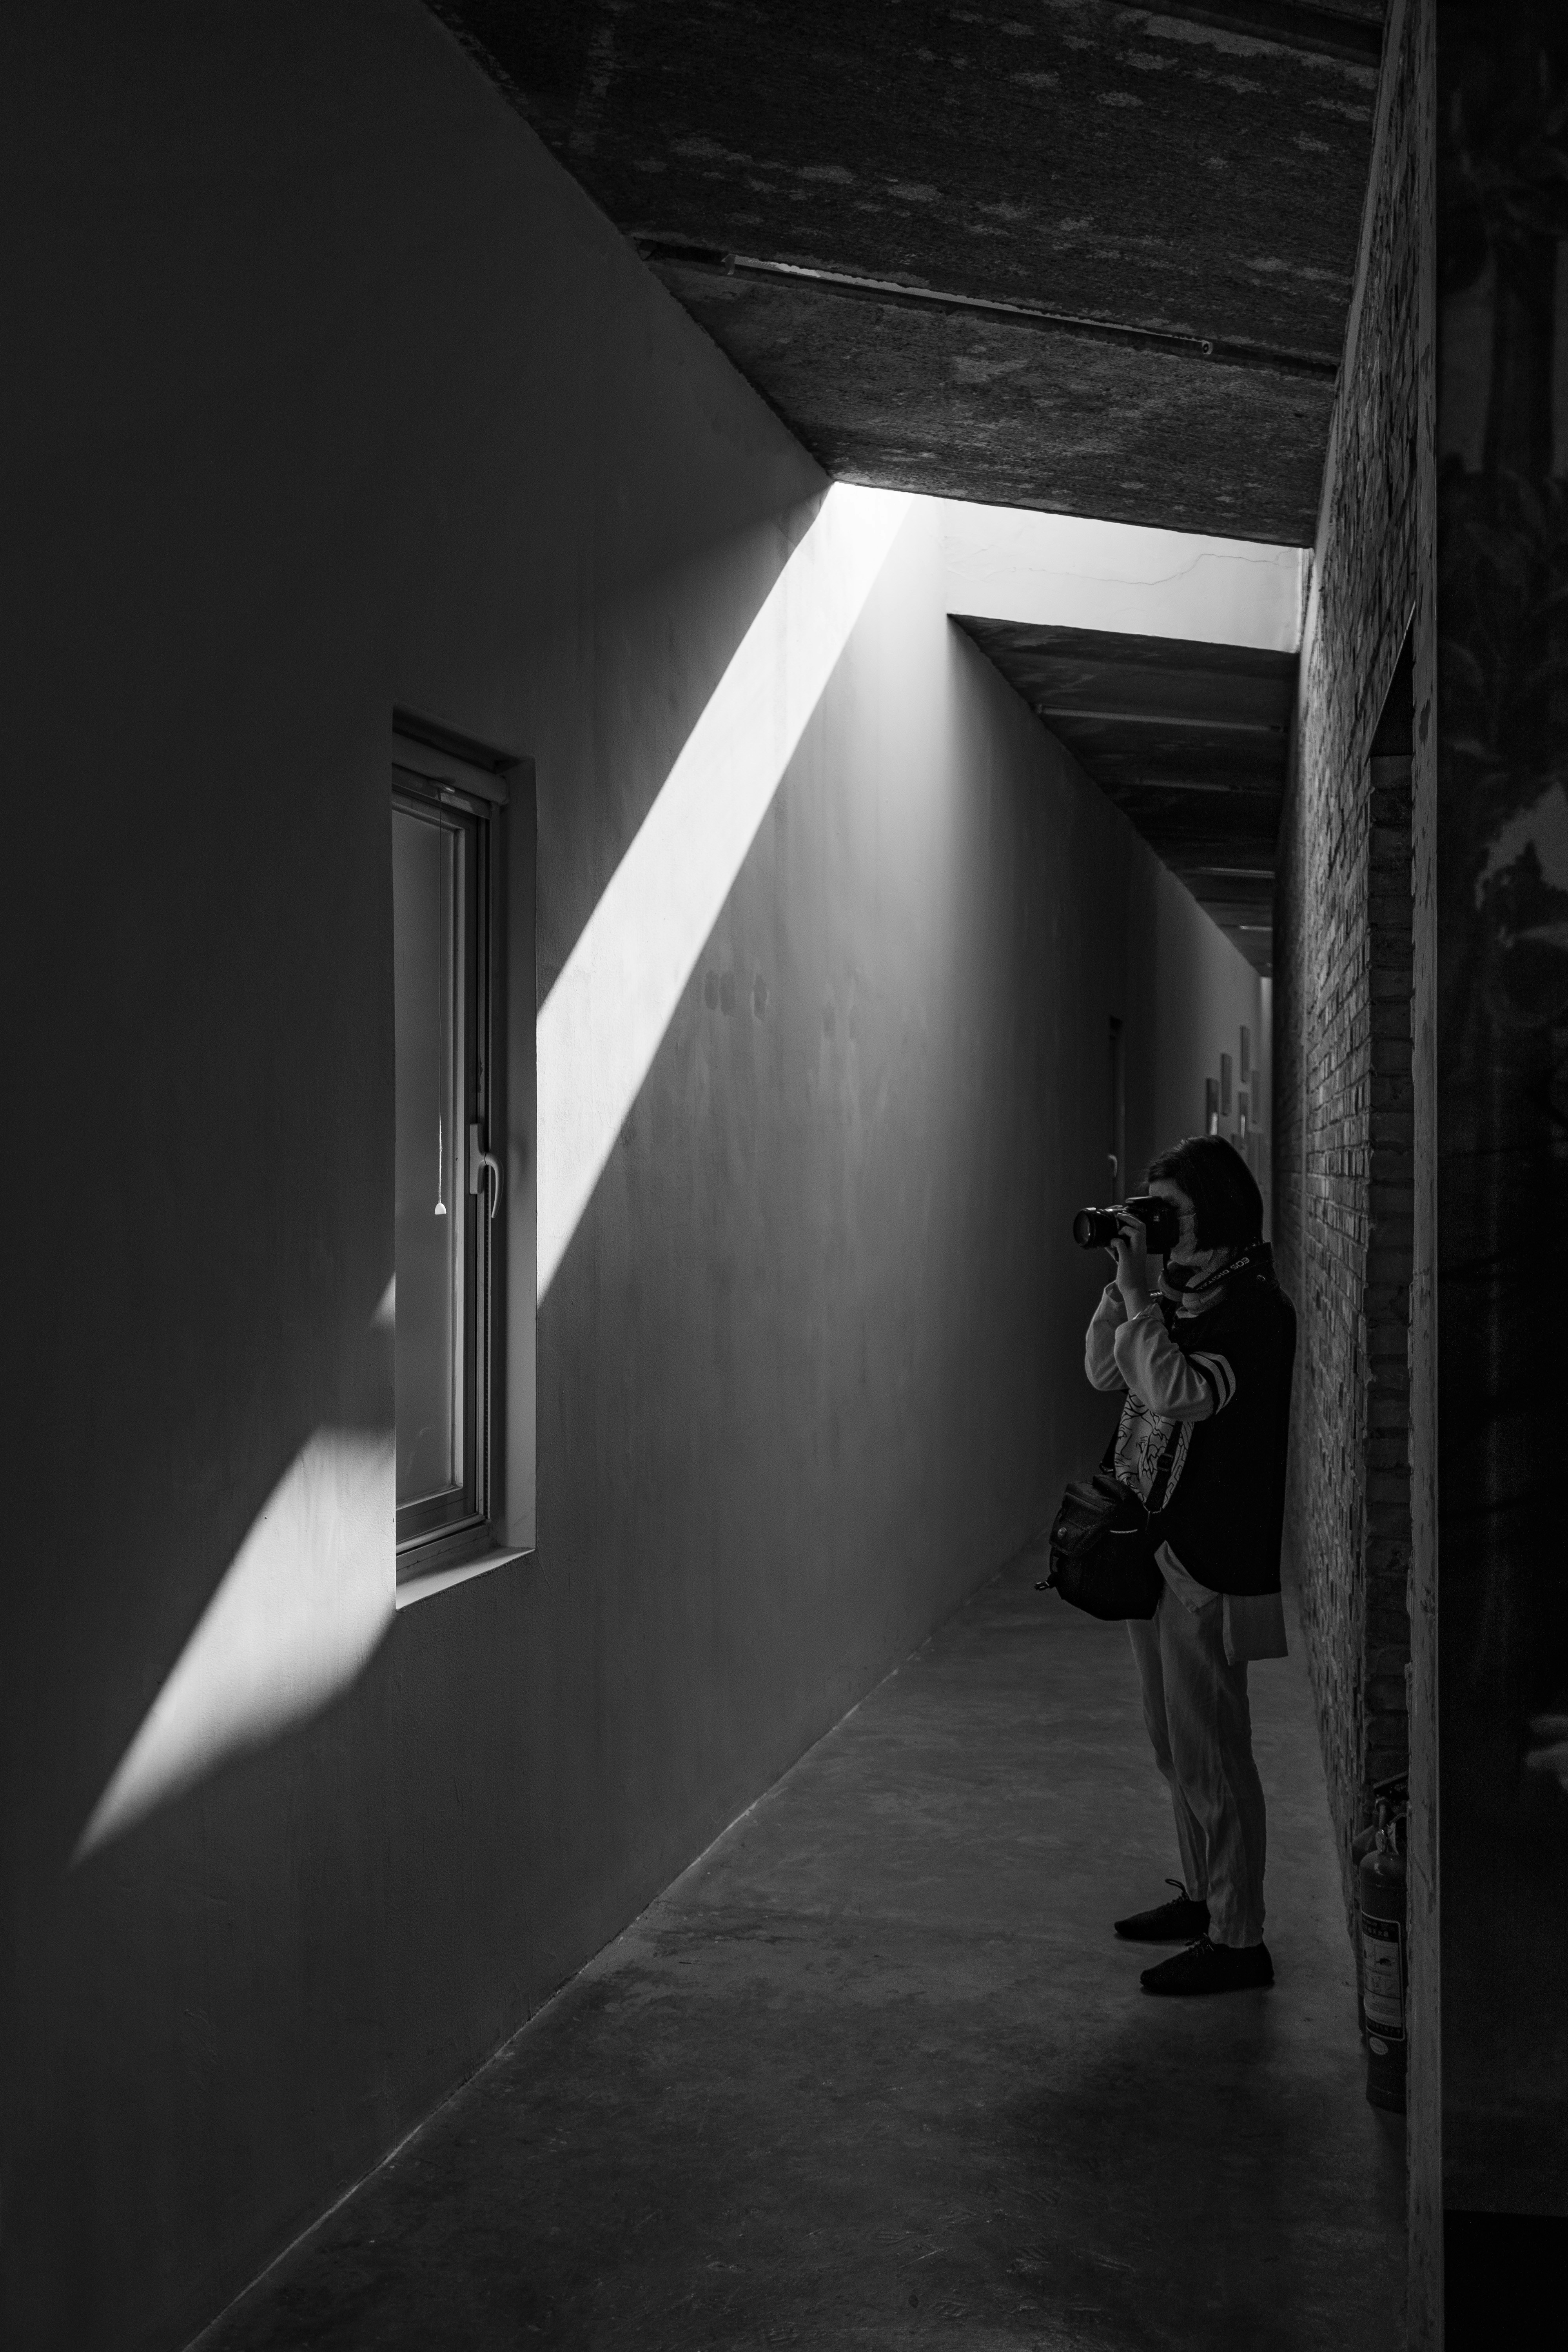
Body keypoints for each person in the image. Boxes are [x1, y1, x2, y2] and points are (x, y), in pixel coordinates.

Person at [1083, 1134, 1296, 1994]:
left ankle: (1239, 1940)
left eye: (1164, 1206)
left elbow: (1178, 1394)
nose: (1151, 1218)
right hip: (1154, 1548)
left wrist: (1143, 1298)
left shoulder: (1252, 1309)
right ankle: (1206, 1899)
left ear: (1210, 1208)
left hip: (1205, 1559)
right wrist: (1122, 1289)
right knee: (1173, 1746)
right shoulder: (1179, 1295)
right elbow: (1107, 1372)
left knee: (1213, 1752)